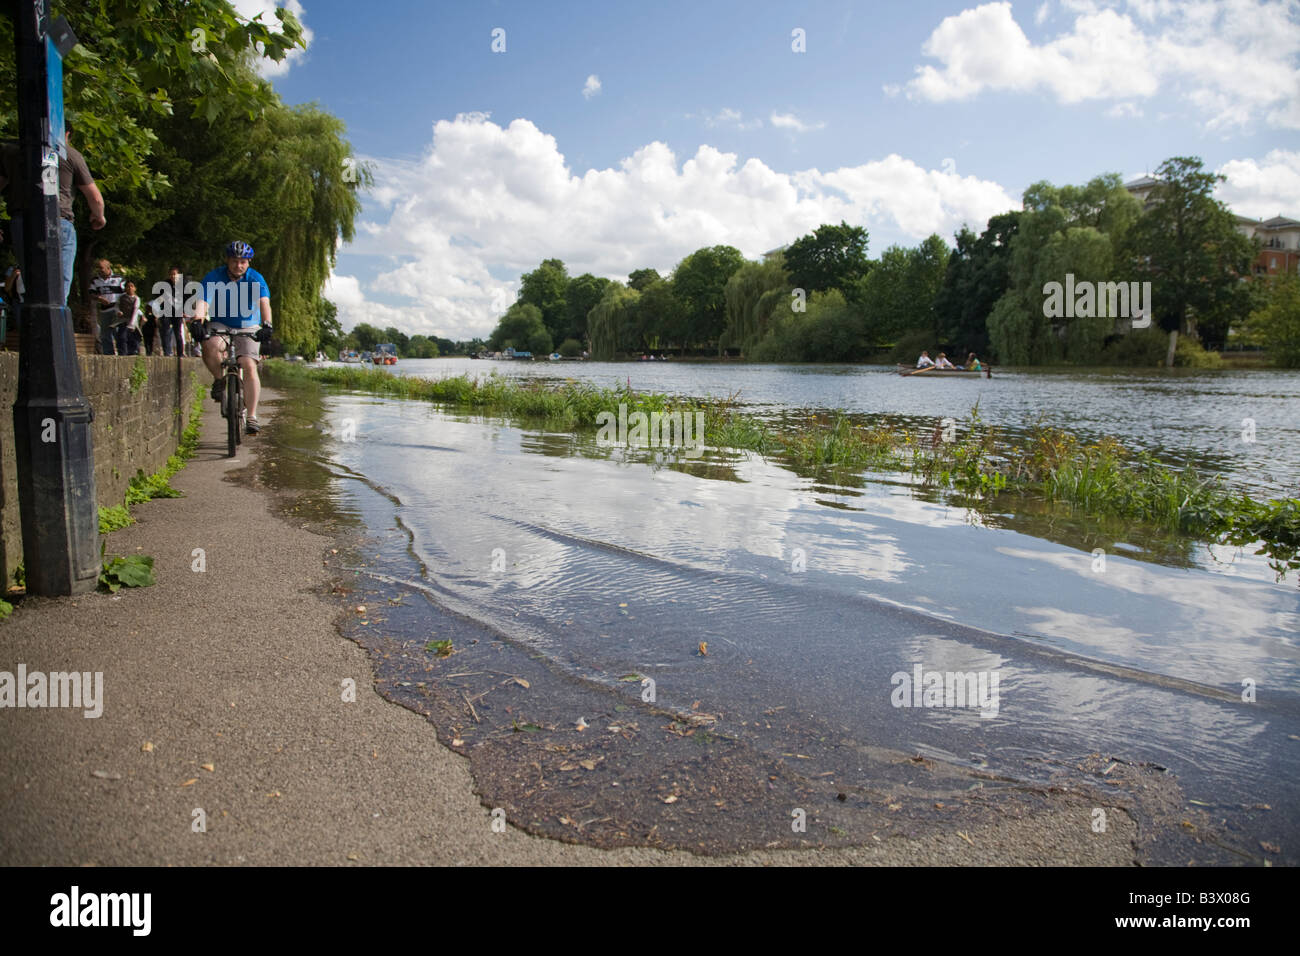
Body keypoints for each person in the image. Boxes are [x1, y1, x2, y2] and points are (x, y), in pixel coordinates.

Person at [0, 121, 107, 308]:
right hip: (58, 220)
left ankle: (34, 317)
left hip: (21, 221)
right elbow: (95, 198)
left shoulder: (11, 153)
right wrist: (99, 217)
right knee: (59, 283)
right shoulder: (69, 154)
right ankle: (55, 320)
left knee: (31, 279)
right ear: (66, 134)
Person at [195, 240, 273, 434]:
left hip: (248, 325)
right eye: (234, 261)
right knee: (210, 347)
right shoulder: (214, 276)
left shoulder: (256, 278)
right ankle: (220, 380)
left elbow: (264, 302)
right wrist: (198, 320)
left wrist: (267, 325)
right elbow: (203, 300)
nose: (238, 266)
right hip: (221, 322)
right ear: (227, 260)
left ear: (248, 262)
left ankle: (252, 416)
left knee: (248, 364)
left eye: (243, 262)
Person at [89, 258, 125, 354]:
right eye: (98, 268)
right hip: (104, 310)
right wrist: (99, 298)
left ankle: (122, 353)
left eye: (101, 268)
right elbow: (91, 293)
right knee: (105, 334)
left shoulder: (119, 279)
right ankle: (109, 353)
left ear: (108, 268)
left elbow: (125, 294)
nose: (99, 270)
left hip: (116, 309)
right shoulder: (95, 280)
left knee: (117, 332)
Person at [115, 279, 142, 355]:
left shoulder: (136, 299)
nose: (130, 288)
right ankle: (123, 353)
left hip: (132, 321)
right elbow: (116, 306)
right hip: (123, 320)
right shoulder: (121, 297)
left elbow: (135, 311)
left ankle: (133, 353)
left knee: (133, 338)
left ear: (134, 288)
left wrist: (132, 324)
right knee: (122, 337)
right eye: (128, 286)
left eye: (131, 286)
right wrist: (118, 312)